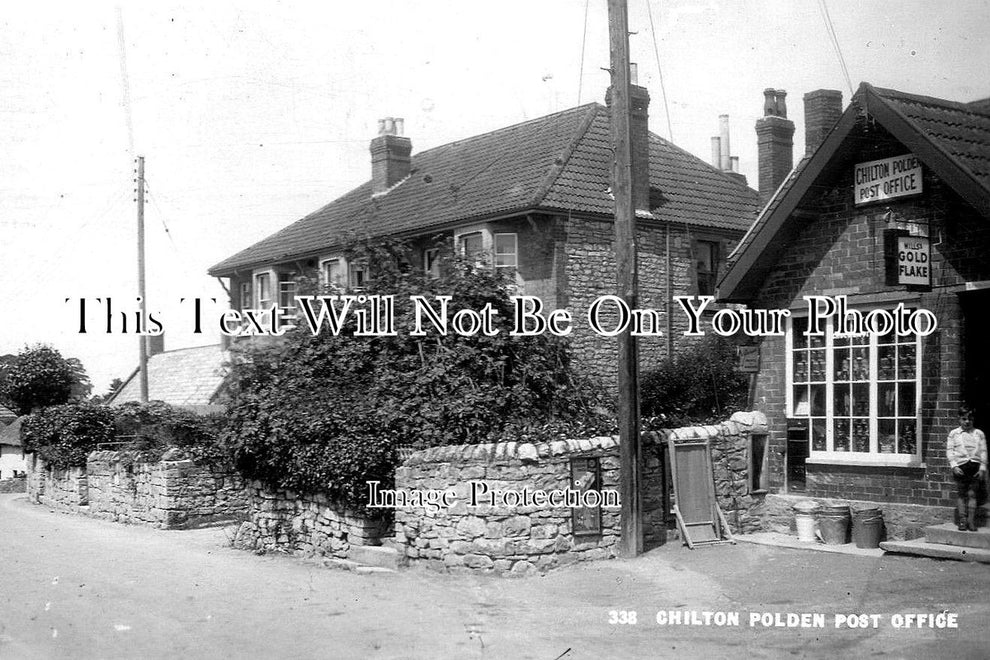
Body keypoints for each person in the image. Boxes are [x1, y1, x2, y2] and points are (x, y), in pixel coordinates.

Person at [947, 405, 988, 531]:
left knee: (972, 494)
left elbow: (983, 451)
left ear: (973, 420)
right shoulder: (954, 434)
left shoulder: (979, 433)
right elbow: (949, 451)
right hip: (960, 466)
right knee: (961, 494)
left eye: (970, 419)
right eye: (964, 419)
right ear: (959, 419)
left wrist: (982, 468)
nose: (967, 422)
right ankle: (962, 520)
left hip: (974, 466)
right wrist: (954, 466)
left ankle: (971, 521)